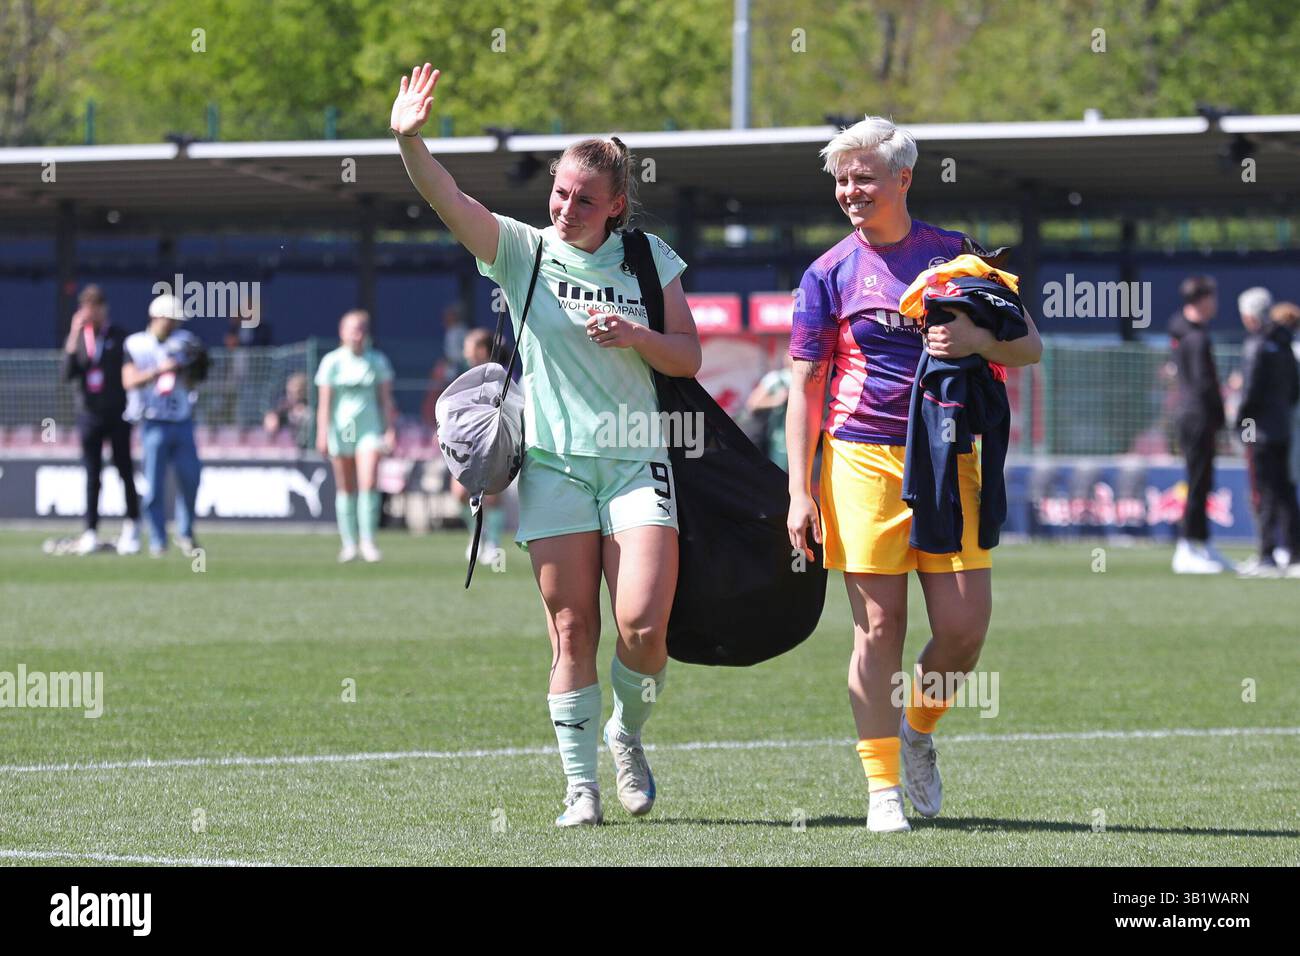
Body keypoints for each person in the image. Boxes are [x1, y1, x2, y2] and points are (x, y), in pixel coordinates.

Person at [393, 64, 700, 827]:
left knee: (642, 625)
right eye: (560, 192)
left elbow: (689, 357)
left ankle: (628, 733)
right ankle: (580, 787)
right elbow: (449, 199)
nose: (566, 207)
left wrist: (637, 335)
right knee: (572, 628)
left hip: (636, 458)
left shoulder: (647, 259)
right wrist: (409, 140)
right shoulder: (524, 249)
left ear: (616, 206)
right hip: (557, 465)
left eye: (584, 199)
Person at [784, 116, 1042, 832]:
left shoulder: (956, 256)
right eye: (841, 179)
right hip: (858, 458)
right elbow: (803, 383)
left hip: (948, 452)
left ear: (902, 178)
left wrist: (978, 337)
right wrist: (799, 492)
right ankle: (882, 791)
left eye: (864, 176)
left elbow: (1030, 350)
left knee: (963, 629)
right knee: (879, 628)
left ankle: (917, 731)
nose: (850, 190)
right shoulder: (826, 272)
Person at [122, 294, 208, 557]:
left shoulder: (185, 342)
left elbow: (196, 380)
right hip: (152, 422)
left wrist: (191, 370)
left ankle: (185, 532)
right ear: (157, 317)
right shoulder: (136, 344)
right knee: (154, 487)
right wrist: (160, 371)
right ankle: (158, 539)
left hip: (181, 420)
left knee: (191, 477)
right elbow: (128, 380)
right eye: (171, 319)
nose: (175, 325)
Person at [62, 285, 142, 555]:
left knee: (124, 470)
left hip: (117, 414)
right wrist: (74, 333)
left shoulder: (118, 336)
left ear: (103, 308)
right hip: (89, 416)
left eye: (94, 307)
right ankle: (90, 531)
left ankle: (132, 527)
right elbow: (67, 373)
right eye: (86, 307)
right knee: (92, 475)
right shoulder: (80, 339)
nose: (90, 313)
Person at [314, 310, 397, 563]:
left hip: (369, 430)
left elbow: (386, 401)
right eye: (352, 329)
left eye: (361, 329)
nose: (357, 334)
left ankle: (368, 541)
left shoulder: (377, 361)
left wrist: (390, 430)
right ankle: (348, 543)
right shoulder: (332, 362)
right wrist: (322, 434)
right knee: (346, 487)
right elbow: (325, 403)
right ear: (342, 332)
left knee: (369, 482)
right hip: (341, 431)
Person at [1168, 275, 1232, 574]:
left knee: (1203, 481)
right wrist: (1221, 417)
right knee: (1196, 481)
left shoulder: (1184, 331)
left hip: (1191, 415)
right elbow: (1205, 385)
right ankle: (1186, 548)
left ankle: (1202, 543)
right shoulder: (1196, 338)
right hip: (1197, 416)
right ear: (1203, 300)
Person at [1236, 295, 1300, 577]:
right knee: (1285, 490)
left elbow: (1249, 393)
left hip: (1257, 428)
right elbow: (1295, 390)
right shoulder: (1284, 343)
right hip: (1282, 427)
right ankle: (1294, 555)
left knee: (1262, 491)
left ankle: (1267, 555)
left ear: (1250, 316)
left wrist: (1240, 423)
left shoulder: (1256, 344)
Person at [448, 328, 507, 562]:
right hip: (465, 442)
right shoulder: (460, 375)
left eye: (469, 347)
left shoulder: (500, 375)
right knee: (459, 493)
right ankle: (477, 532)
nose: (465, 352)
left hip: (494, 442)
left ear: (482, 351)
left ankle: (493, 542)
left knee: (491, 495)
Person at [743, 351, 793, 471]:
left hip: (793, 437)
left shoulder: (807, 380)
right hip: (773, 437)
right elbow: (752, 403)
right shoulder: (775, 378)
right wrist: (775, 400)